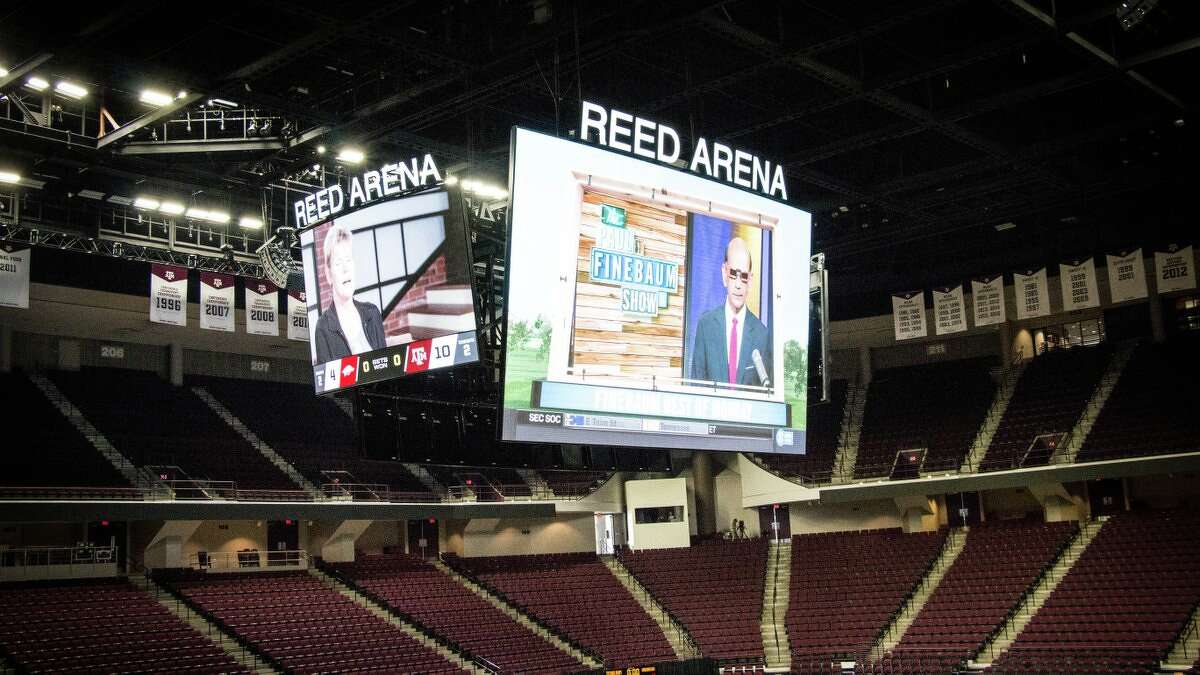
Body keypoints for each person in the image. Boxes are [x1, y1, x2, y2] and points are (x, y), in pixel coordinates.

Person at [689, 237, 772, 388]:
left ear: (750, 281)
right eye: (734, 274)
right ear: (724, 273)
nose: (739, 285)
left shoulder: (762, 335)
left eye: (744, 276)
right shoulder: (705, 326)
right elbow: (696, 388)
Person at [313, 221, 387, 363]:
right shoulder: (323, 327)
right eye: (338, 263)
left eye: (348, 260)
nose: (345, 269)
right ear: (328, 274)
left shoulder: (372, 312)